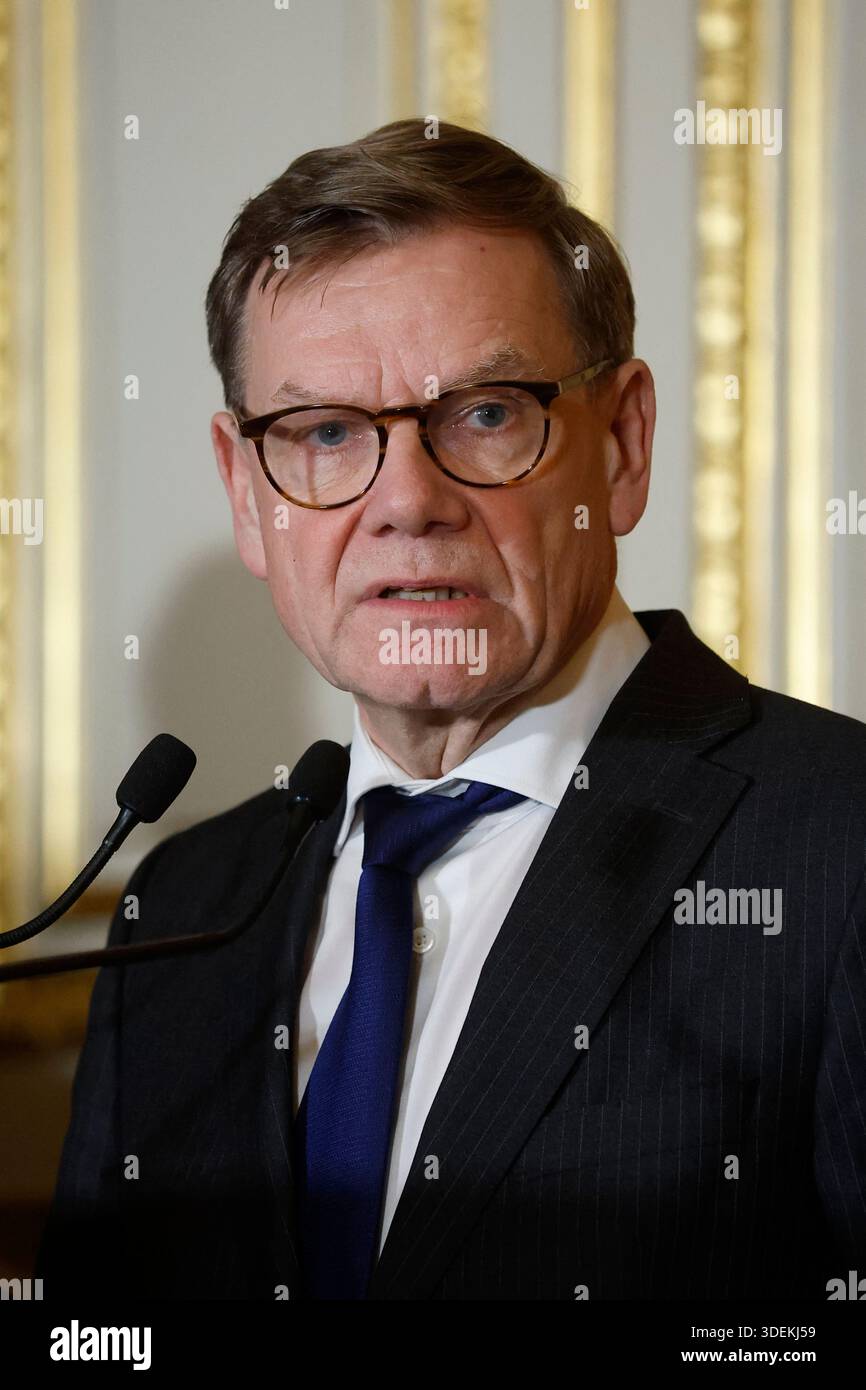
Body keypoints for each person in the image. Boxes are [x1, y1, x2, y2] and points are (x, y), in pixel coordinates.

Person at [38, 119, 866, 1301]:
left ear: (621, 446)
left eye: (483, 412)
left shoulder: (835, 847)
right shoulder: (186, 905)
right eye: (324, 433)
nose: (406, 503)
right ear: (244, 488)